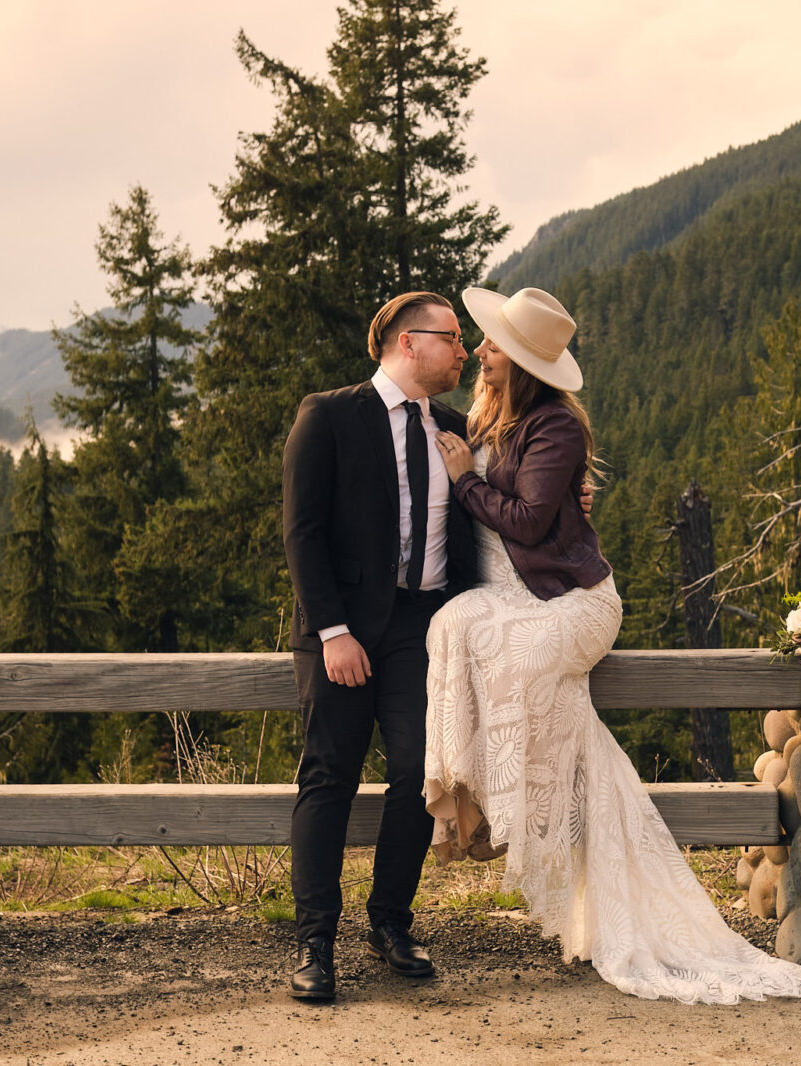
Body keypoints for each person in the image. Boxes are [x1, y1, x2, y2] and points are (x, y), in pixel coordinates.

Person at [423, 286, 801, 1005]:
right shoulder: (486, 414)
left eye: (491, 344)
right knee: (452, 628)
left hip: (574, 603)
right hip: (517, 599)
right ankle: (490, 808)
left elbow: (530, 521)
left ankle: (519, 817)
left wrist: (463, 481)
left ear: (520, 362)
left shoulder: (556, 426)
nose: (480, 350)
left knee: (524, 662)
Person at [281, 291, 478, 1001]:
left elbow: (514, 496)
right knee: (329, 776)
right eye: (452, 337)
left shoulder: (456, 429)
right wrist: (333, 631)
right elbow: (301, 532)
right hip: (341, 629)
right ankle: (314, 942)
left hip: (422, 627)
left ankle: (389, 923)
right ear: (405, 342)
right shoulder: (328, 416)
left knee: (416, 778)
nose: (464, 351)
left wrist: (574, 497)